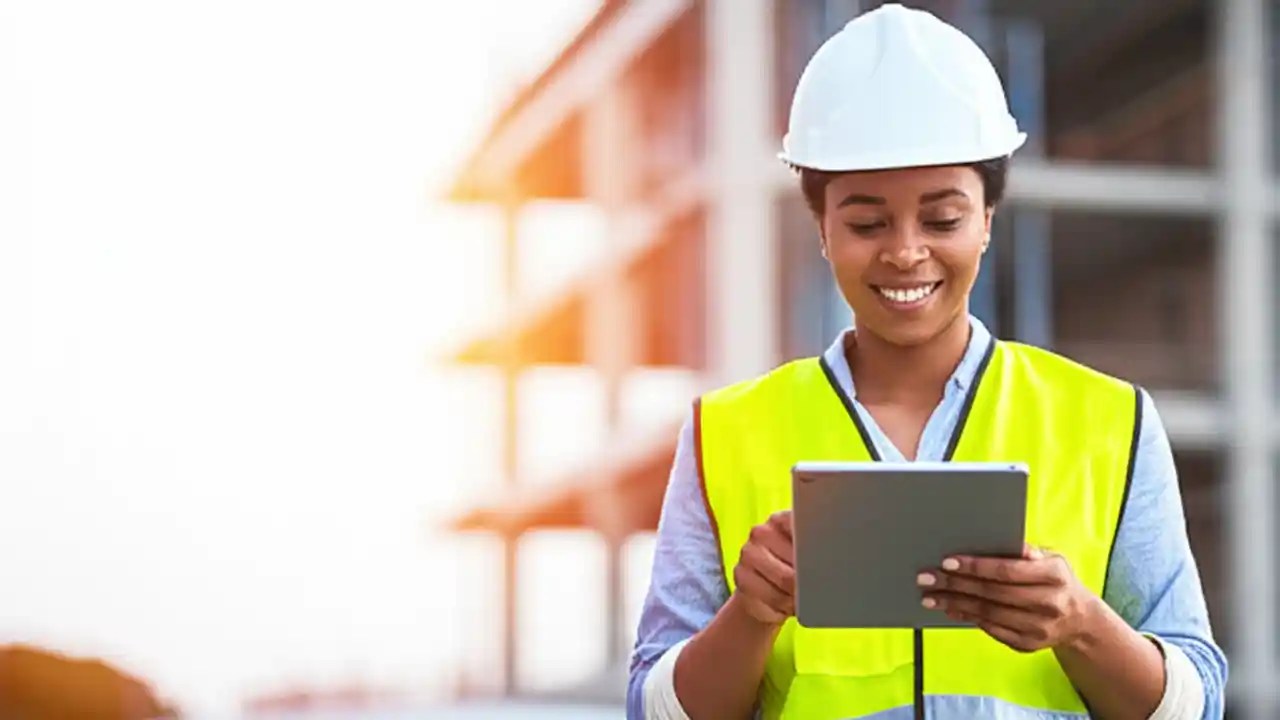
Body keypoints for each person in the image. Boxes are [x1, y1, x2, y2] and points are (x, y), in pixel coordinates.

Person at [627, 4, 1226, 720]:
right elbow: (656, 709)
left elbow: (1195, 705)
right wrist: (752, 613)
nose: (905, 252)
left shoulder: (1111, 421)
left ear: (987, 221)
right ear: (821, 227)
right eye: (866, 222)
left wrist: (1080, 625)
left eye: (942, 219)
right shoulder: (725, 432)